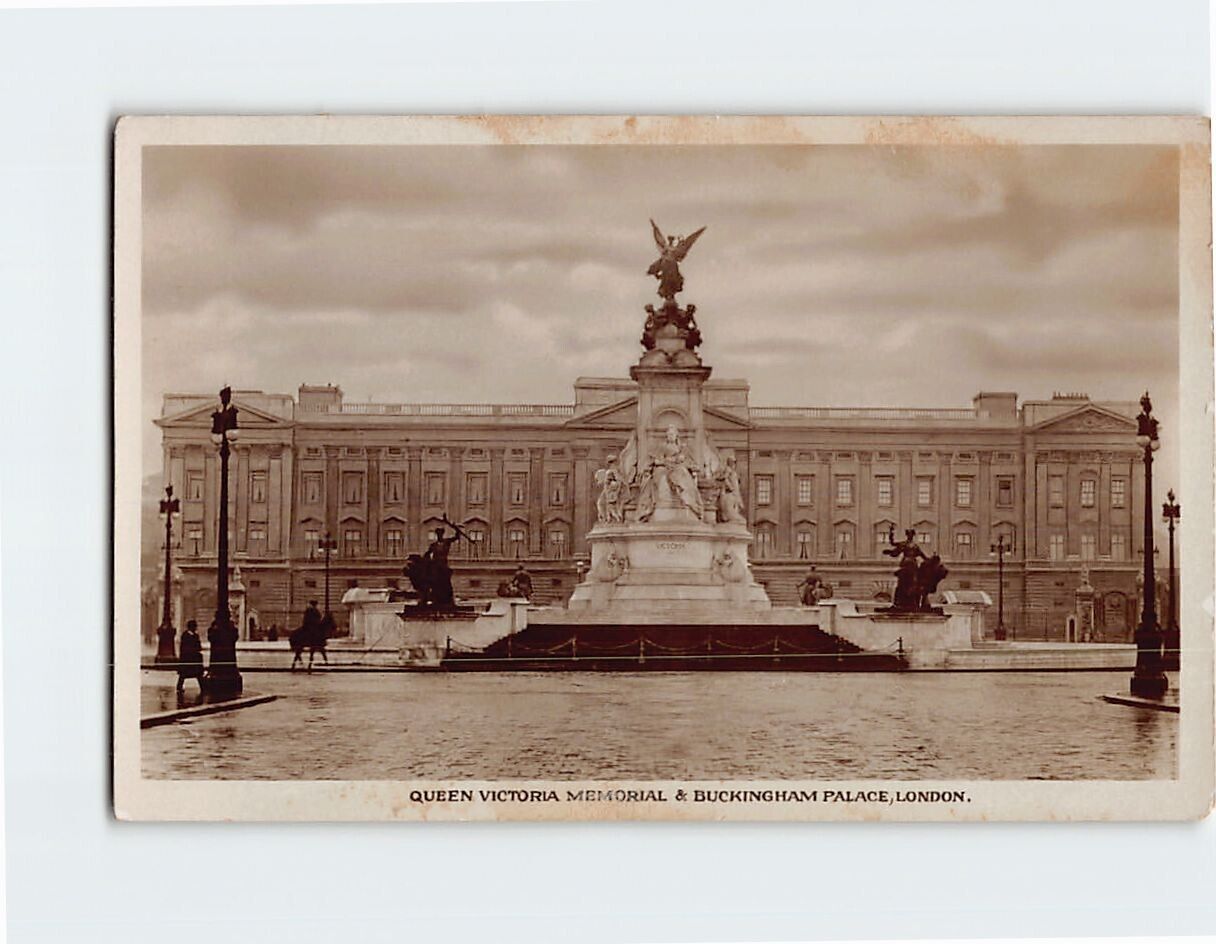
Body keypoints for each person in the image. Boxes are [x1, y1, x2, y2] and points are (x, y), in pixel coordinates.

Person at [176, 619, 204, 694]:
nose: (195, 628)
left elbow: (198, 646)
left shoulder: (194, 636)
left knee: (197, 674)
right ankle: (179, 687)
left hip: (193, 658)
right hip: (188, 658)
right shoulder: (186, 636)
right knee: (185, 674)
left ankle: (203, 688)